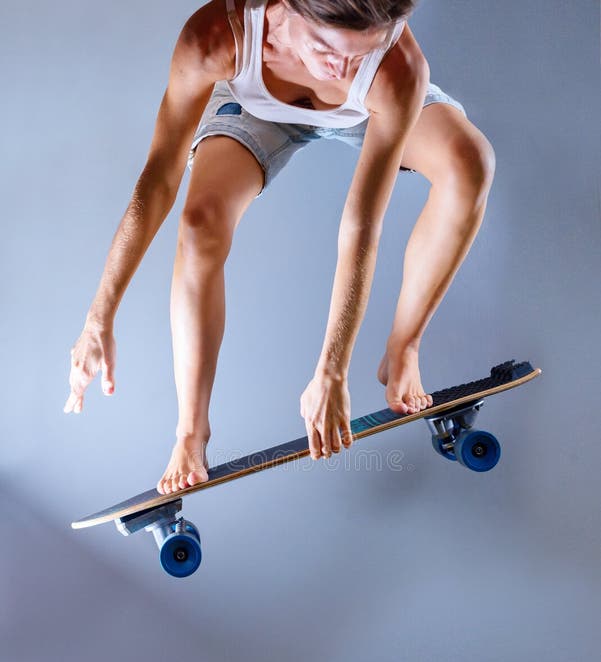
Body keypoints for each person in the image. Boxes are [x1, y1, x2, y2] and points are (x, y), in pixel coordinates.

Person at [64, 0, 495, 496]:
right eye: (327, 50)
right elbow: (158, 179)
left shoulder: (395, 66)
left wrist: (332, 369)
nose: (341, 69)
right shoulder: (216, 37)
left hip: (368, 108)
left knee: (471, 163)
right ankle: (190, 432)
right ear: (285, 9)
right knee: (200, 224)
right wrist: (99, 317)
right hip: (255, 106)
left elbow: (360, 224)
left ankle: (404, 348)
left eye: (360, 54)